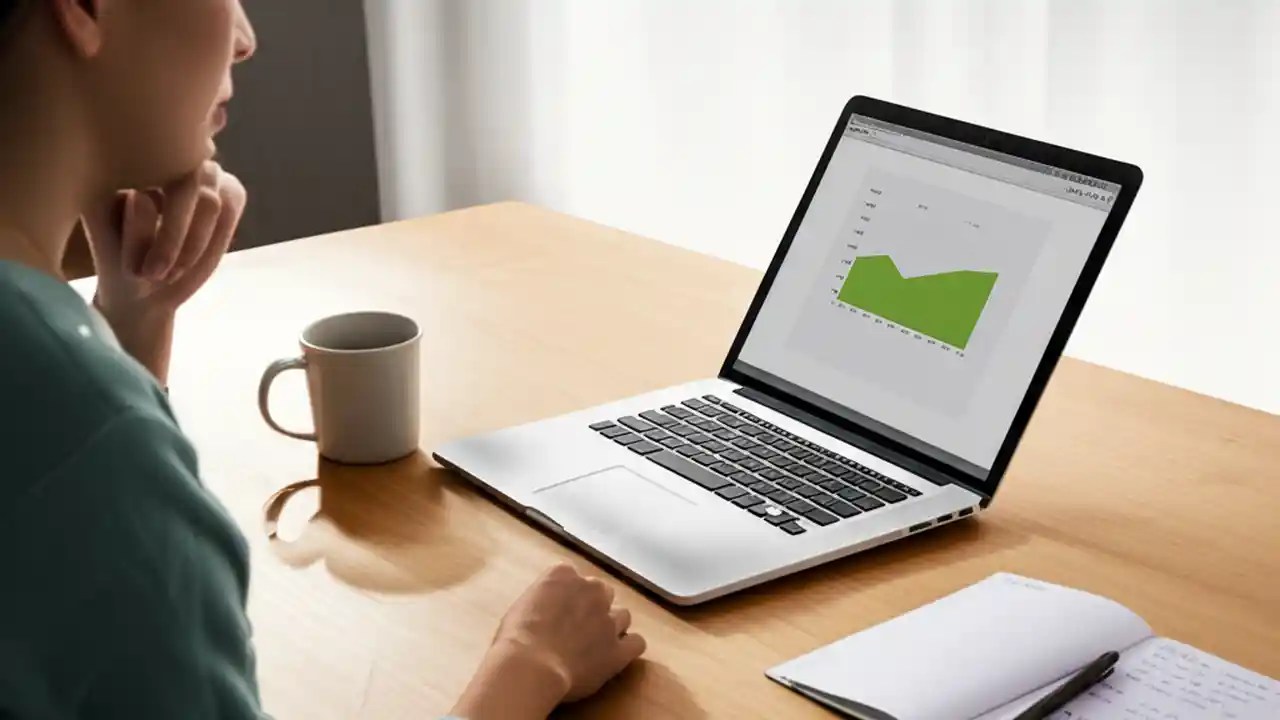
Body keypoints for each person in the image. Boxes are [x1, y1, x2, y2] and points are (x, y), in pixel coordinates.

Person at [0, 1, 646, 718]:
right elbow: (83, 466)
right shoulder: (88, 433)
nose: (245, 39)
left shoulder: (60, 400)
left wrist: (135, 317)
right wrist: (529, 664)